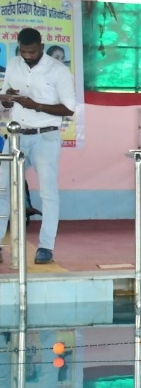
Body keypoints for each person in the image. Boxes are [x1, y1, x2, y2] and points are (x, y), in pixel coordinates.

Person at [0, 26, 76, 265]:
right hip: (16, 136)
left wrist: (37, 105)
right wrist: (8, 97)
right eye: (23, 51)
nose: (27, 56)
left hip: (46, 137)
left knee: (48, 193)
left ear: (41, 47)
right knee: (2, 191)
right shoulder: (13, 64)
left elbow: (69, 108)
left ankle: (45, 247)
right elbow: (3, 98)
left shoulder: (58, 71)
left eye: (31, 52)